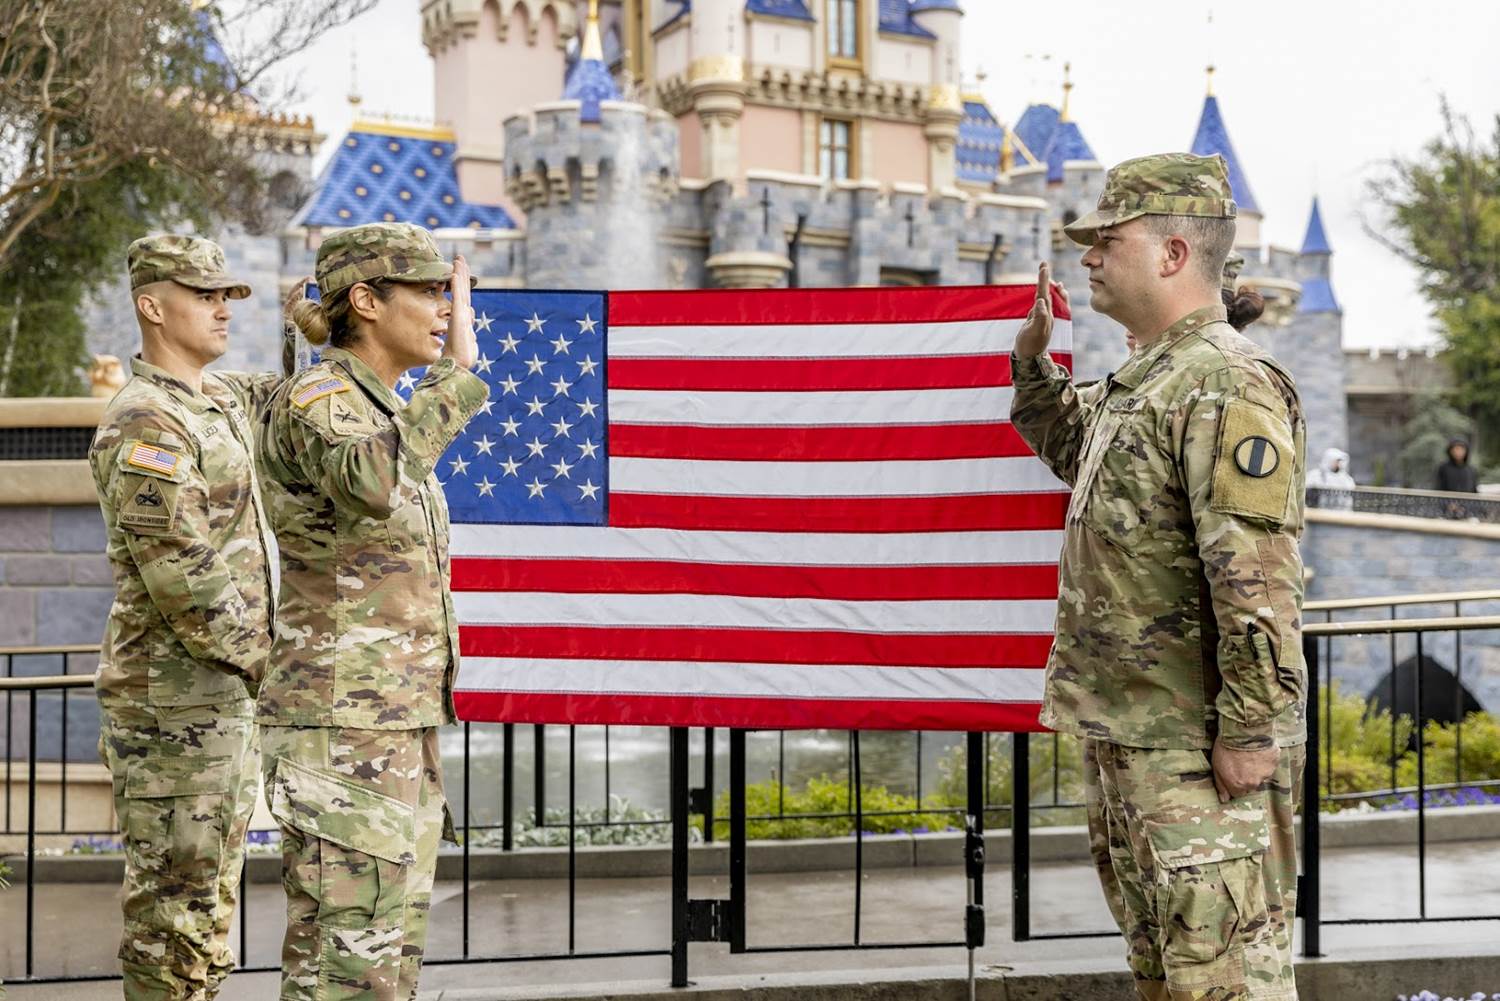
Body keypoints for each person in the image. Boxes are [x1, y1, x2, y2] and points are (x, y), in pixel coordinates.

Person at [1011, 153, 1308, 1001]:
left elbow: (1256, 582)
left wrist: (1251, 731)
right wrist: (1035, 365)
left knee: (1226, 984)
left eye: (1108, 239)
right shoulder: (1148, 380)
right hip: (1135, 734)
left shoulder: (1225, 380)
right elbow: (1078, 453)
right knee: (1167, 976)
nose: (1089, 256)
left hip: (1195, 750)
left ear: (1174, 253)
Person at [256, 222, 489, 1001]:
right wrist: (456, 378)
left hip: (393, 723)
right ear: (366, 299)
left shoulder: (381, 408)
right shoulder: (322, 398)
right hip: (340, 730)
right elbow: (371, 483)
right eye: (428, 291)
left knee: (384, 964)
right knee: (345, 969)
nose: (446, 310)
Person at [90, 235, 290, 1000]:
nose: (222, 307)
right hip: (172, 709)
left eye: (228, 295)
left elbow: (291, 401)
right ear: (151, 304)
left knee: (208, 910)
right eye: (205, 293)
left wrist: (316, 328)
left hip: (218, 701)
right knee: (173, 918)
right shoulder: (146, 421)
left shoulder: (214, 399)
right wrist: (279, 665)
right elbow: (185, 578)